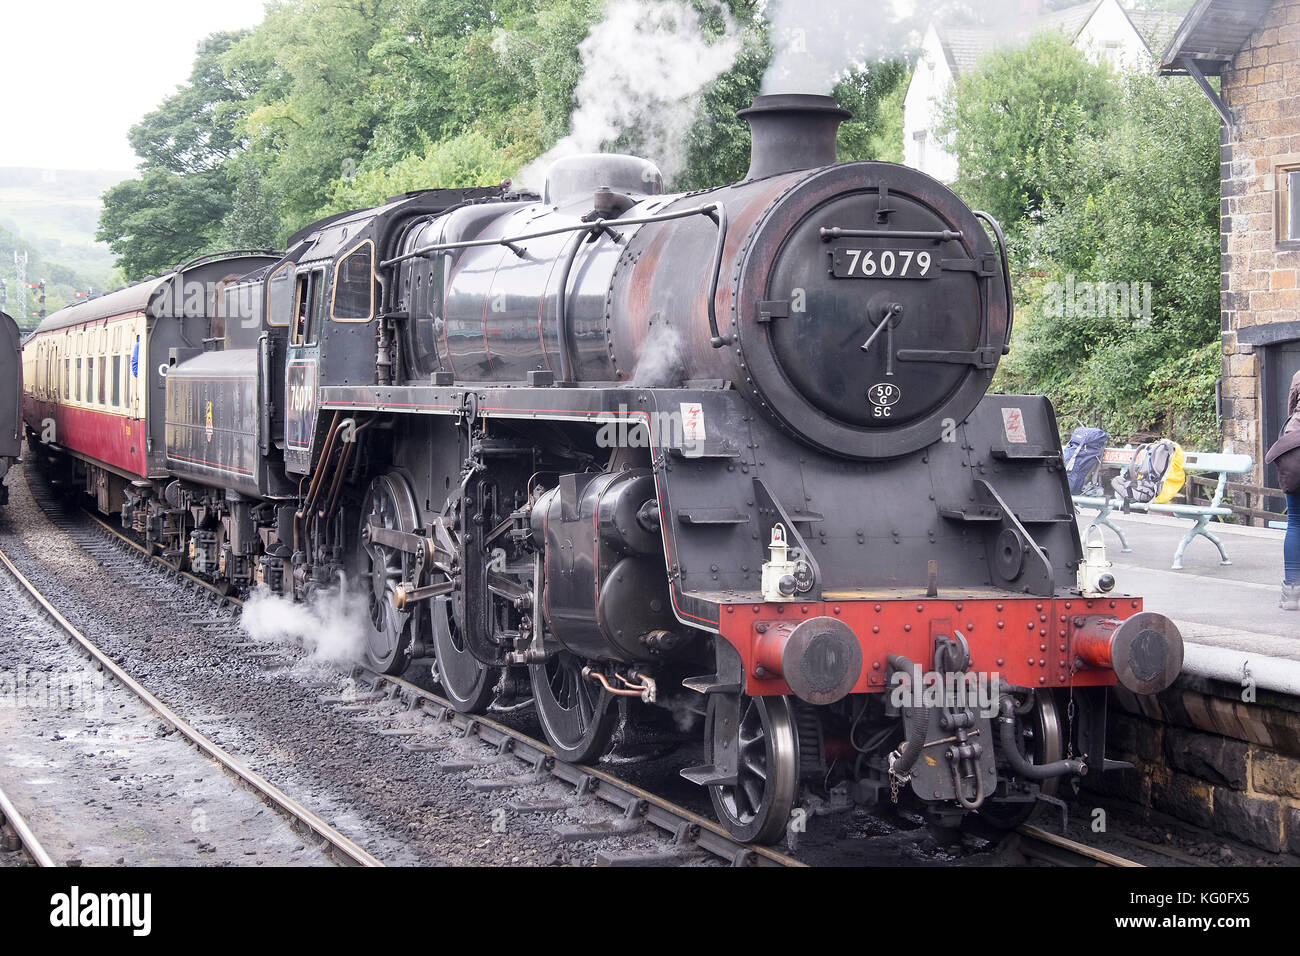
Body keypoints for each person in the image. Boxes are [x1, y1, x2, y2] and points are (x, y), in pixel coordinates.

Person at [1265, 369, 1300, 610]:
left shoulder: (1299, 374)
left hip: (1295, 445)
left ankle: (1292, 592)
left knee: (1296, 523)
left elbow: (1291, 408)